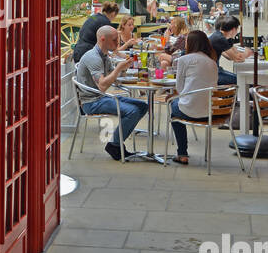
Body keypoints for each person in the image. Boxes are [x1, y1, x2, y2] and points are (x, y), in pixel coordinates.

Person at [74, 25, 149, 162]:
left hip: (101, 97)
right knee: (132, 111)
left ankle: (116, 142)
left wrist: (125, 69)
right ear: (103, 39)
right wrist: (119, 68)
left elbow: (112, 78)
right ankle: (114, 145)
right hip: (91, 102)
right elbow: (102, 85)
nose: (118, 43)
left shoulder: (104, 56)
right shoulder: (94, 57)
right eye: (115, 40)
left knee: (143, 106)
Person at [165, 30, 220, 165]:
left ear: (191, 43)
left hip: (190, 111)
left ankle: (182, 153)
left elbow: (179, 88)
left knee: (173, 106)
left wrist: (172, 95)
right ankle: (182, 153)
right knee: (177, 103)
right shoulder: (213, 62)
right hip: (211, 112)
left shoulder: (183, 60)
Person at [208, 15, 251, 84]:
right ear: (234, 29)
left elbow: (230, 57)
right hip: (212, 74)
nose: (237, 32)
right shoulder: (220, 38)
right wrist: (247, 53)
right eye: (237, 29)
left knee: (241, 79)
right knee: (243, 81)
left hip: (213, 70)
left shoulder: (219, 35)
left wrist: (232, 39)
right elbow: (237, 59)